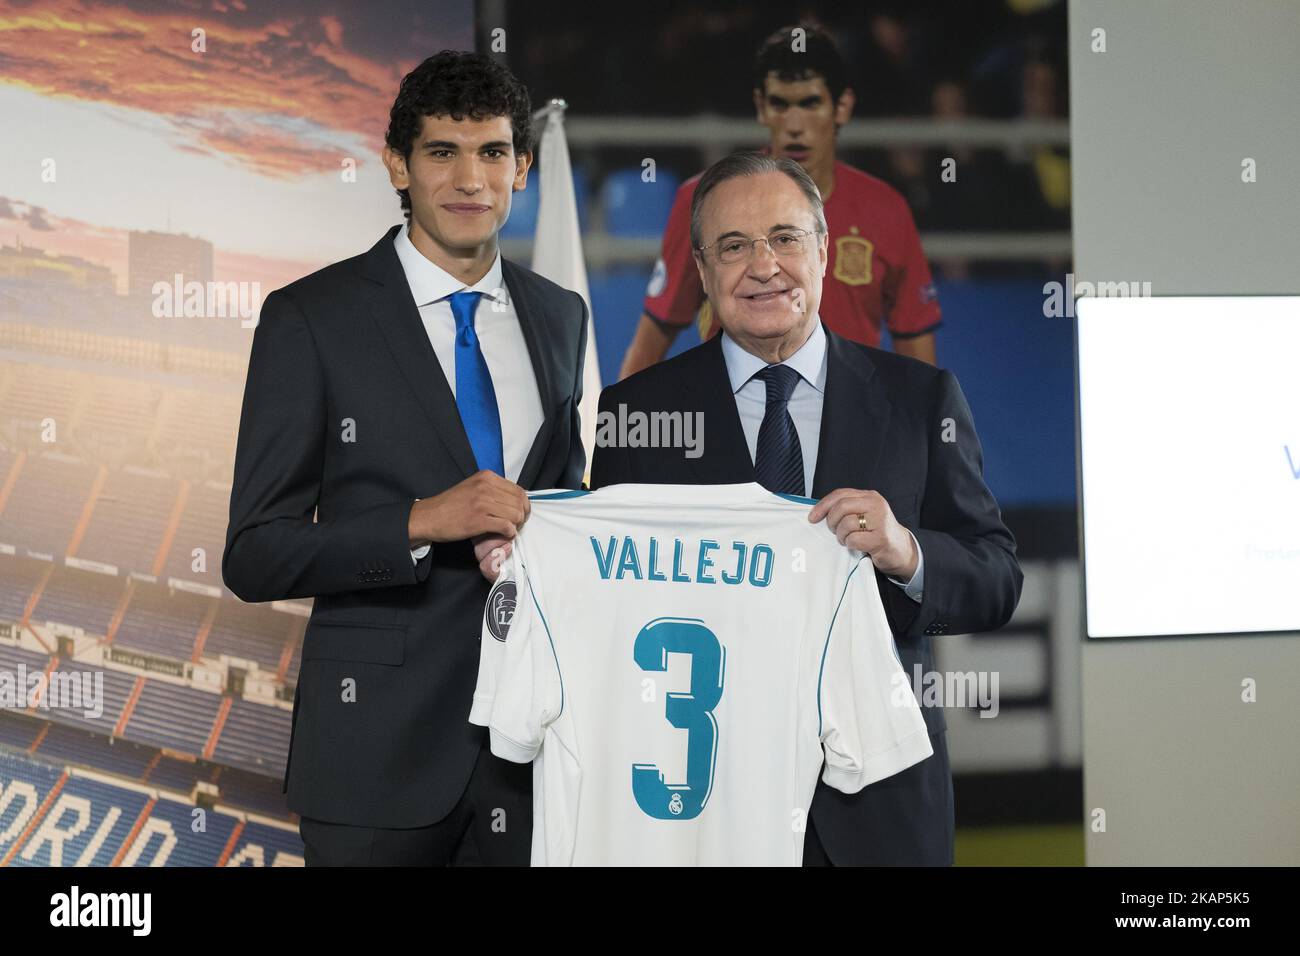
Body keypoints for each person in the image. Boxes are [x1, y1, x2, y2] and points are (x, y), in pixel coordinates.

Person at [591, 152, 1022, 865]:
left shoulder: (921, 401)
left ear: (825, 251)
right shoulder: (637, 414)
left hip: (881, 814)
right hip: (703, 810)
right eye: (733, 246)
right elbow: (606, 610)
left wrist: (907, 552)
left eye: (785, 238)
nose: (763, 266)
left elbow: (997, 580)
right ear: (701, 272)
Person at [223, 51, 588, 865]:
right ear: (397, 163)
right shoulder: (312, 318)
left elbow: (568, 505)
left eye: (493, 152)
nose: (470, 179)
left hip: (534, 753)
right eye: (441, 152)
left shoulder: (560, 316)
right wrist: (422, 522)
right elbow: (255, 554)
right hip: (373, 760)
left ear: (522, 167)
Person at [619, 23, 941, 380]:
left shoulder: (887, 210)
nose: (794, 125)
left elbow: (918, 362)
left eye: (810, 103)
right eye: (780, 104)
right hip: (733, 421)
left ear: (842, 107)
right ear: (761, 107)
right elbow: (653, 337)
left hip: (850, 424)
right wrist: (617, 428)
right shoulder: (704, 201)